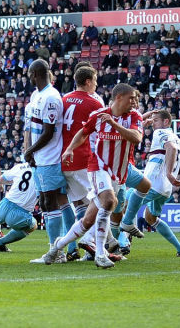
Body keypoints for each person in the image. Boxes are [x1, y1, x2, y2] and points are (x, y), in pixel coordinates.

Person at [41, 83, 146, 268]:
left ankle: (57, 246)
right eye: (131, 98)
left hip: (117, 173)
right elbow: (83, 132)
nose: (134, 102)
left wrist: (113, 124)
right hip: (98, 167)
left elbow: (136, 138)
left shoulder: (134, 116)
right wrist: (70, 149)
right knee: (109, 201)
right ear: (119, 97)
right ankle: (100, 254)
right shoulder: (98, 115)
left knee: (88, 220)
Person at [21, 59, 70, 261]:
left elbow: (49, 132)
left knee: (51, 202)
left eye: (29, 74)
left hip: (49, 158)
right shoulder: (36, 95)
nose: (28, 77)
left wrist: (30, 151)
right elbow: (33, 128)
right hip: (39, 158)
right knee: (44, 202)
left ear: (35, 74)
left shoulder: (51, 97)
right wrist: (30, 152)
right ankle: (55, 249)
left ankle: (57, 251)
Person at [133, 109, 180, 257]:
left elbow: (171, 148)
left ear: (166, 122)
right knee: (151, 218)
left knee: (123, 205)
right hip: (165, 190)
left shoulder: (160, 132)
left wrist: (168, 173)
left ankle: (122, 243)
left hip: (153, 183)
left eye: (155, 120)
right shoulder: (177, 139)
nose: (152, 123)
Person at [57, 63, 105, 259]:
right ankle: (96, 245)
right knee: (103, 201)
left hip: (63, 160)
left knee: (80, 205)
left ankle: (75, 248)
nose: (96, 84)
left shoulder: (63, 99)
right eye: (95, 80)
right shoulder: (94, 103)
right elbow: (101, 135)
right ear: (88, 82)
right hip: (83, 160)